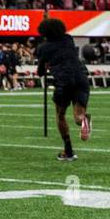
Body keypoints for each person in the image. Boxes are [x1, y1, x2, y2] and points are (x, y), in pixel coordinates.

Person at [35, 18, 92, 160]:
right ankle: (83, 119)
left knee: (60, 115)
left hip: (64, 81)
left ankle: (68, 151)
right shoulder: (68, 39)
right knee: (78, 116)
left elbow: (41, 72)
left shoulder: (43, 47)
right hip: (81, 77)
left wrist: (46, 64)